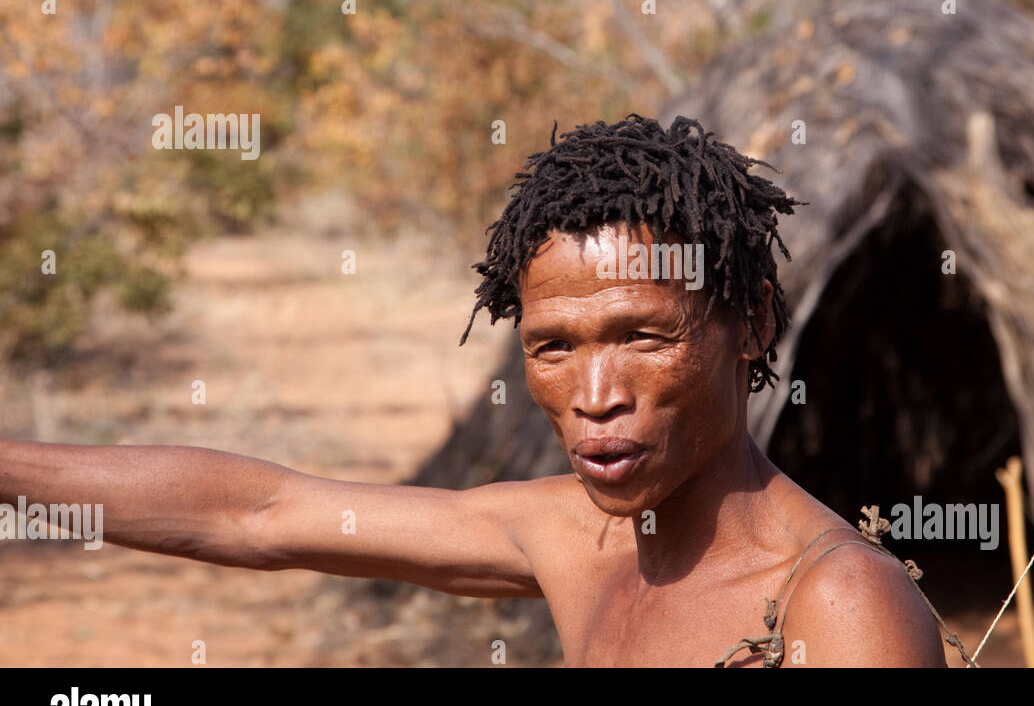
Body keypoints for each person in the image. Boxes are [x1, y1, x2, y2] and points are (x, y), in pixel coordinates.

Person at [0, 114, 946, 667]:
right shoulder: (578, 538)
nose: (596, 393)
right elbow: (259, 513)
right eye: (553, 348)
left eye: (642, 336)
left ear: (754, 326)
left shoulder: (834, 605)